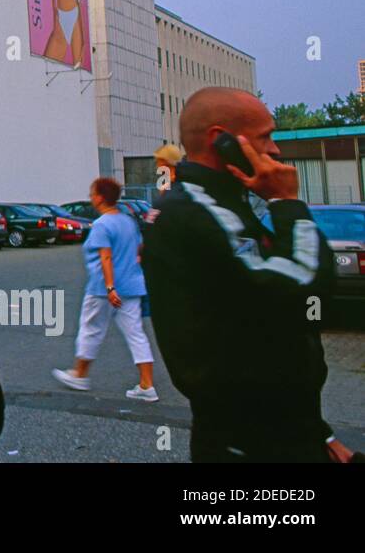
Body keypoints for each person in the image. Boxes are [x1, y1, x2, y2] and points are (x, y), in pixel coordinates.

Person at [142, 87, 352, 463]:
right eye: (265, 136)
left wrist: (318, 431)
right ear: (220, 141)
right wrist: (288, 203)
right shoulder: (196, 211)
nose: (275, 150)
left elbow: (270, 323)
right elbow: (305, 289)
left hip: (285, 430)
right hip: (250, 443)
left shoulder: (224, 204)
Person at [52, 177, 157, 401]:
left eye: (92, 193)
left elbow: (105, 257)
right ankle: (147, 384)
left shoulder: (102, 225)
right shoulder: (127, 221)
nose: (90, 197)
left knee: (91, 328)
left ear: (100, 197)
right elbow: (139, 247)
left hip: (103, 289)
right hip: (131, 286)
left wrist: (110, 287)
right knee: (136, 334)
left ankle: (80, 374)